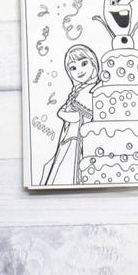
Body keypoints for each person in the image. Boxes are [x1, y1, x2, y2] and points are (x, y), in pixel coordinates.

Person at [40, 44, 99, 185]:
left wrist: (63, 113)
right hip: (68, 138)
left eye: (83, 63)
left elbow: (78, 116)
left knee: (67, 170)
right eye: (73, 68)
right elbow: (66, 112)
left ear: (93, 63)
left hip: (77, 140)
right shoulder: (78, 90)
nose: (79, 70)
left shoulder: (92, 90)